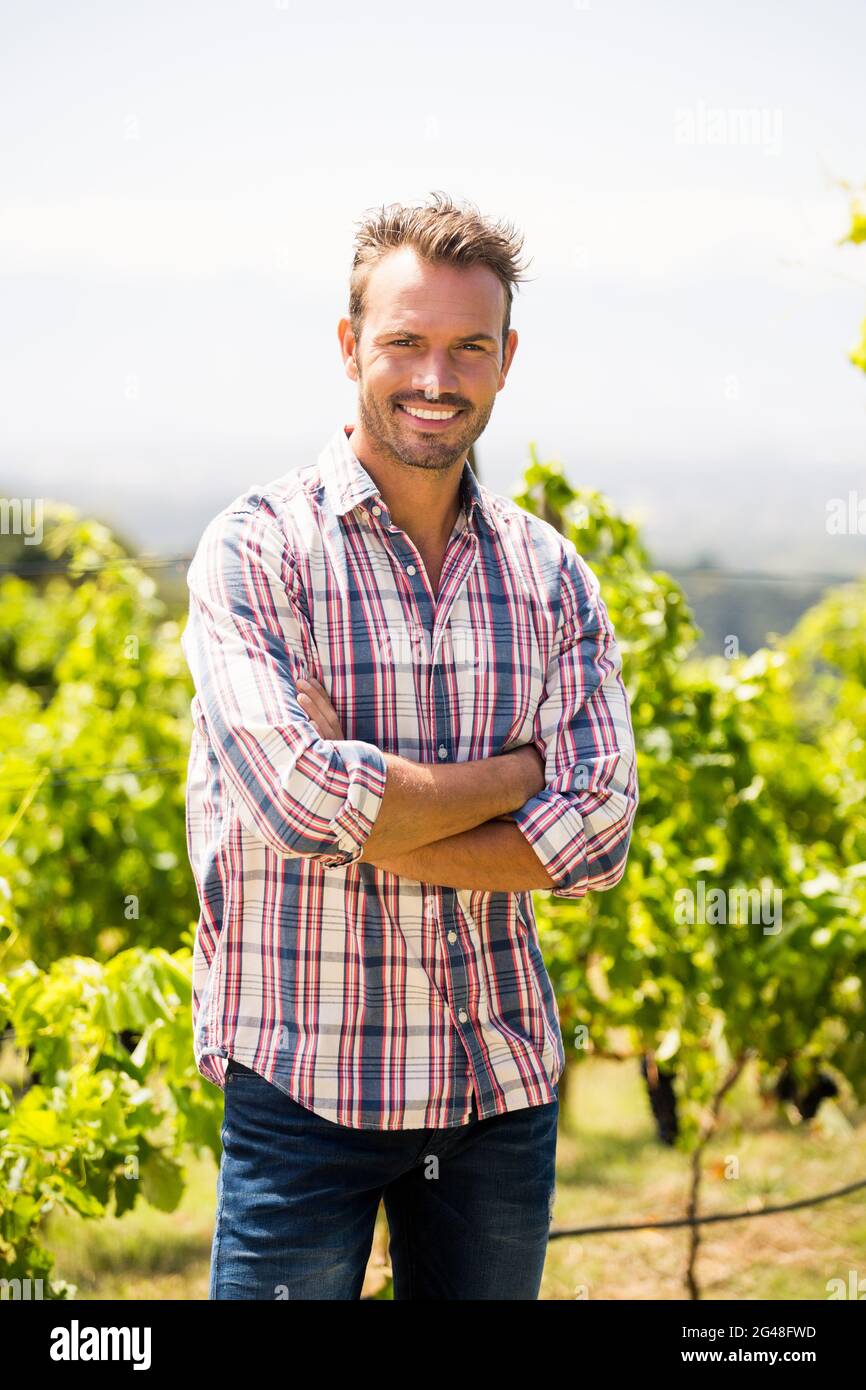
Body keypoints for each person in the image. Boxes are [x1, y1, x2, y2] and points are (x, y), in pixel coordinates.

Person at [181, 191, 639, 1300]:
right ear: (349, 346)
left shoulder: (548, 575)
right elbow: (293, 802)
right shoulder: (257, 552)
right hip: (302, 1085)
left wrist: (366, 807)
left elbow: (595, 835)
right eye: (404, 343)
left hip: (496, 1093)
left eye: (466, 348)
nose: (435, 379)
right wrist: (514, 779)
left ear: (504, 359)